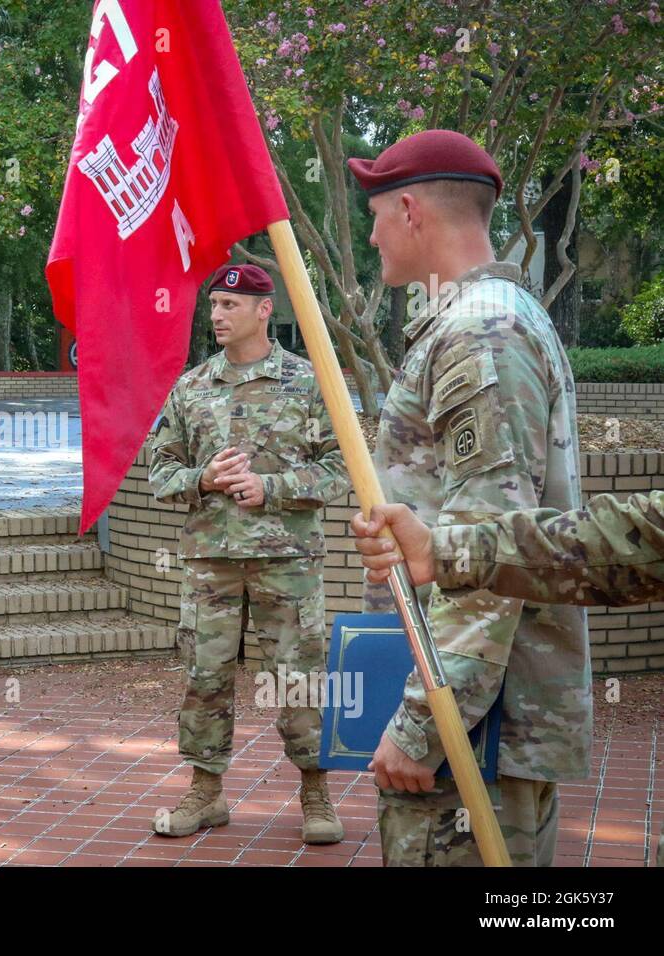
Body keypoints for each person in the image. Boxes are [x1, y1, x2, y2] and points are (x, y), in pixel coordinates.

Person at [348, 128, 590, 866]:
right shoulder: (482, 320)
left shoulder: (481, 332)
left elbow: (490, 548)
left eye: (377, 212)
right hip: (480, 705)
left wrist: (425, 725)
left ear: (412, 209)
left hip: (476, 723)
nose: (373, 232)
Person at [148, 262, 351, 844]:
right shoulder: (191, 387)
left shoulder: (309, 383)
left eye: (229, 306)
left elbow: (341, 468)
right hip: (210, 560)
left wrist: (274, 488)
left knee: (298, 677)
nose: (216, 315)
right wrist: (203, 479)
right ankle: (205, 792)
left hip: (287, 561)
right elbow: (160, 473)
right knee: (204, 674)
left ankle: (315, 792)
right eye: (212, 306)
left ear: (265, 310)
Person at [351, 493, 664, 868]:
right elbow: (640, 534)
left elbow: (484, 599)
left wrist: (420, 728)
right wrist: (442, 551)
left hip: (484, 733)